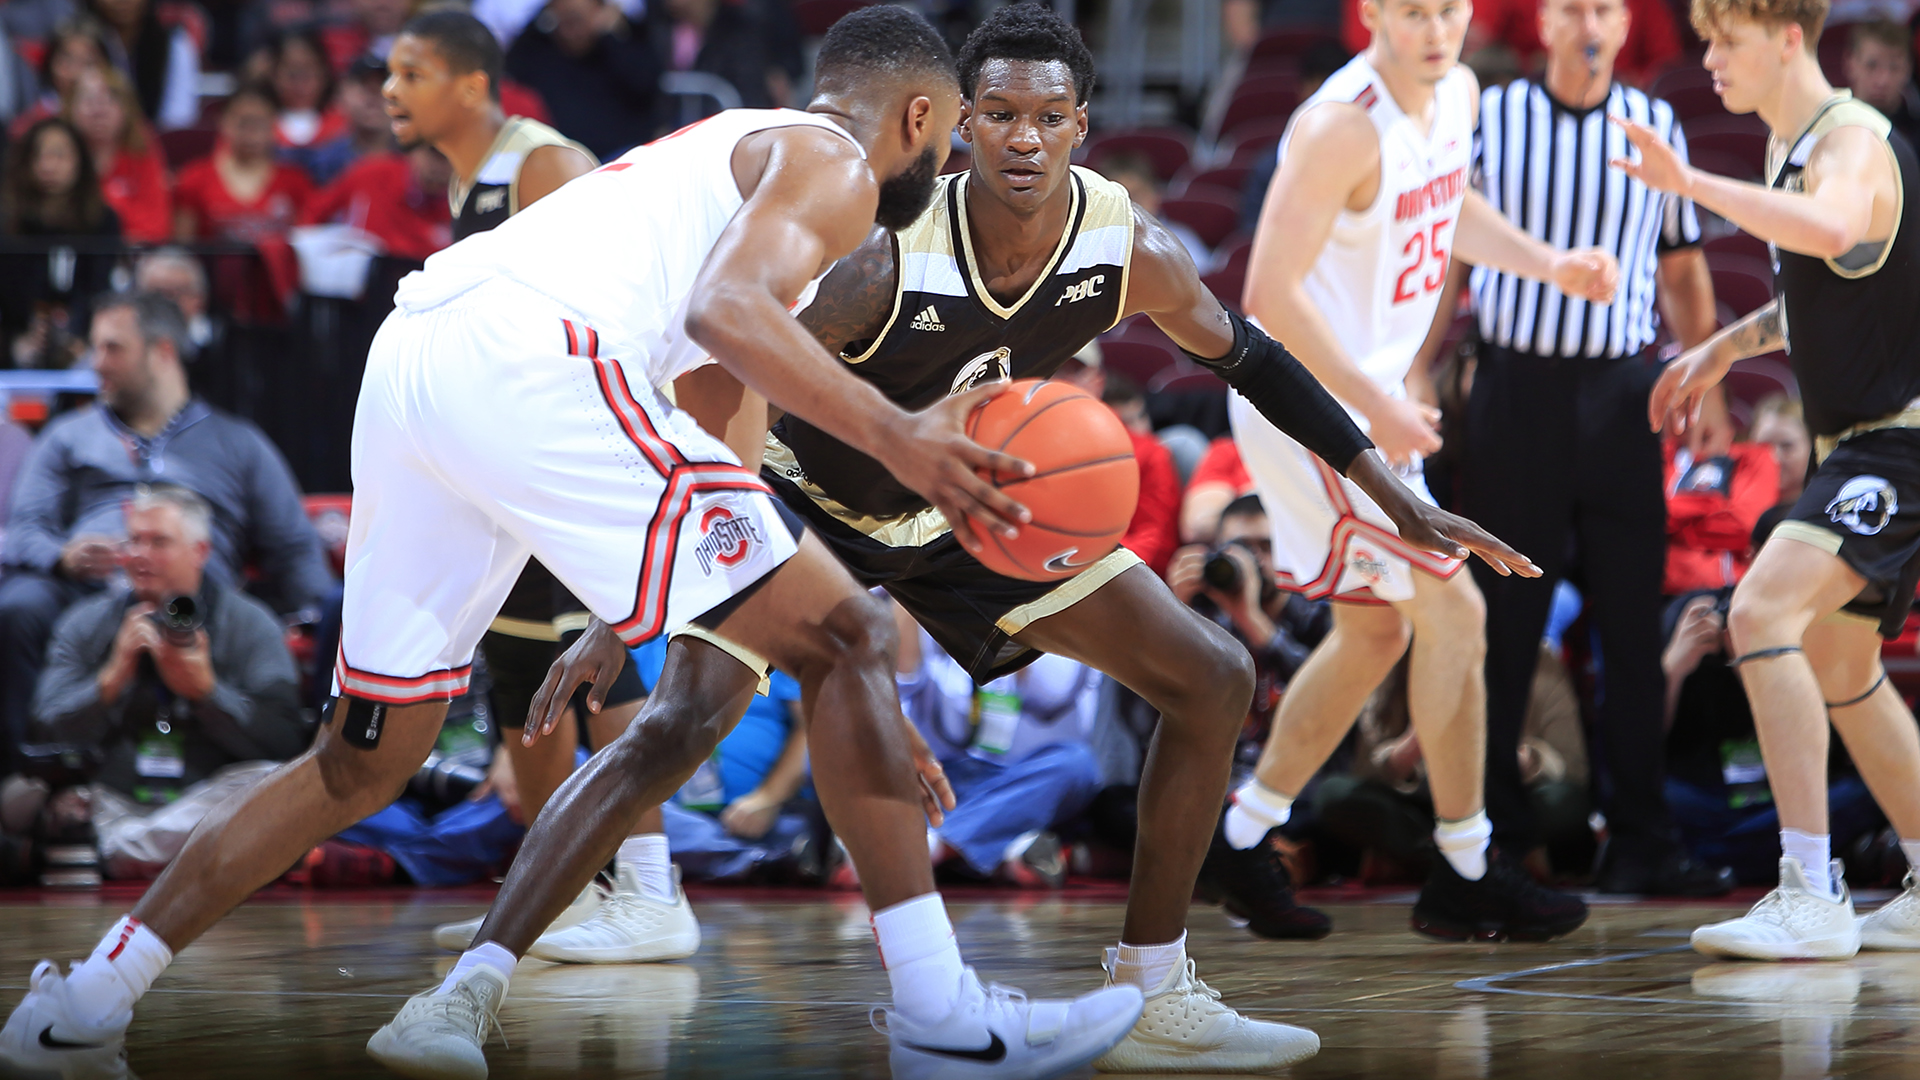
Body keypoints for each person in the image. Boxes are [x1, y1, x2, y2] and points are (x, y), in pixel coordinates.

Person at [0, 10, 1151, 1080]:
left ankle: (85, 1003)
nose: (940, 169)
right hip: (537, 356)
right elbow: (726, 316)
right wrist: (902, 439)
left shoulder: (728, 165)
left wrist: (658, 613)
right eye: (945, 144)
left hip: (420, 359)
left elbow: (717, 412)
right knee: (851, 631)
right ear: (919, 115)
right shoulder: (835, 161)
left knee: (361, 759)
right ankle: (944, 1018)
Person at [531, 5, 1536, 1071]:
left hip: (966, 505)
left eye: (1049, 117)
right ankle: (492, 972)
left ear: (1081, 128)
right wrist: (633, 599)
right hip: (806, 500)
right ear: (960, 125)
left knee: (1213, 675)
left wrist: (1389, 492)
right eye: (1000, 113)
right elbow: (724, 383)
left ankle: (1152, 988)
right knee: (680, 721)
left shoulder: (1124, 246)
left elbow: (1253, 357)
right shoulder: (879, 250)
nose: (1024, 136)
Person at [1226, 0, 1616, 941]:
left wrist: (1546, 265)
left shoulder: (1460, 92)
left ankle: (1236, 840)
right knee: (1458, 611)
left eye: (1450, 9)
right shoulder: (1340, 127)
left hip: (1367, 402)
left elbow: (1446, 208)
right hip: (1307, 403)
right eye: (1414, 12)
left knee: (1371, 638)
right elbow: (1266, 293)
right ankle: (1467, 867)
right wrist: (1380, 397)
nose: (1438, 30)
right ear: (1372, 14)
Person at [381, 9, 689, 964]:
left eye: (411, 72)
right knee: (521, 666)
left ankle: (653, 890)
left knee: (598, 659)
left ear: (472, 84)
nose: (389, 90)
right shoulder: (469, 175)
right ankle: (565, 890)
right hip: (503, 455)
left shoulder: (542, 163)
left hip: (566, 449)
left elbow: (609, 314)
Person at [1615, 0, 1920, 960]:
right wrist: (1720, 349)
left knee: (1758, 611)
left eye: (1727, 40)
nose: (1709, 58)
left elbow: (1834, 225)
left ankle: (1811, 891)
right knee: (1842, 666)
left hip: (1899, 445)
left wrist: (1688, 183)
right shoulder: (1792, 146)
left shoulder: (1851, 142)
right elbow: (1817, 295)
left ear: (1789, 39)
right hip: (1856, 445)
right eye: (1704, 39)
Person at [1463, 0, 1734, 897]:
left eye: (1605, 8)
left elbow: (1682, 265)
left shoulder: (1655, 123)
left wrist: (1706, 381)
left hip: (1623, 396)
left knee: (1627, 624)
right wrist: (1420, 371)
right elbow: (1451, 252)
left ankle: (1643, 839)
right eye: (1573, 7)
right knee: (1506, 624)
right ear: (1543, 24)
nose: (1589, 21)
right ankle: (1493, 839)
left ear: (1624, 28)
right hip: (1515, 390)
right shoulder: (1494, 115)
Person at [0, 290, 331, 777]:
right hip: (87, 600)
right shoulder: (67, 437)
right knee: (19, 606)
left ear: (162, 352)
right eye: (96, 348)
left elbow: (293, 544)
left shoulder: (237, 442)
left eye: (113, 348)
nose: (96, 364)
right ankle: (22, 778)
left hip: (202, 603)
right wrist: (63, 555)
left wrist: (324, 614)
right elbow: (22, 530)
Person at [30, 483, 309, 880]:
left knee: (277, 786)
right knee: (27, 793)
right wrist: (111, 679)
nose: (140, 554)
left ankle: (115, 850)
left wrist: (208, 694)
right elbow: (44, 730)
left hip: (208, 801)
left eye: (158, 542)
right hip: (113, 798)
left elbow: (286, 741)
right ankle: (168, 853)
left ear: (200, 551)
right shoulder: (86, 622)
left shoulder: (251, 623)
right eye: (134, 541)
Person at [892, 602, 1104, 889]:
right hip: (940, 777)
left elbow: (1052, 694)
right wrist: (909, 591)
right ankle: (1005, 850)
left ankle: (930, 849)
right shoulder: (928, 600)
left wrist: (1004, 609)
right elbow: (900, 681)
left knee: (1077, 766)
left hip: (1018, 783)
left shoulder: (1052, 602)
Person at [0, 117, 121, 369]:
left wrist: (81, 337)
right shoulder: (8, 223)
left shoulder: (102, 221)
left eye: (59, 155)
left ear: (80, 161)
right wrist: (13, 345)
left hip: (86, 347)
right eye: (38, 155)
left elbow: (100, 288)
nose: (48, 165)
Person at [504, 0, 662, 159]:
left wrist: (610, 36)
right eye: (567, 21)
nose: (573, 31)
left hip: (625, 156)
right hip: (565, 159)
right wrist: (540, 20)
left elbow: (645, 86)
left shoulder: (623, 45)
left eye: (578, 19)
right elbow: (512, 71)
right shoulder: (539, 52)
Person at [172, 83, 314, 244]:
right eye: (243, 123)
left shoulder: (295, 181)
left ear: (274, 125)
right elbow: (183, 247)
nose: (252, 133)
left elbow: (307, 243)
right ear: (223, 122)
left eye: (260, 123)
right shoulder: (194, 177)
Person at [65, 64, 170, 243]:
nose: (98, 111)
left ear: (127, 109)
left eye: (109, 100)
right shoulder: (57, 148)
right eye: (89, 100)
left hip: (130, 252)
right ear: (70, 108)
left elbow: (156, 226)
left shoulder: (142, 149)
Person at [83, 0, 200, 130]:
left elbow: (179, 117)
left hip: (158, 137)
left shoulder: (173, 43)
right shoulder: (81, 42)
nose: (122, 2)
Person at [286, 55, 393, 186]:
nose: (373, 94)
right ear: (342, 94)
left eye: (383, 84)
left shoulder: (413, 161)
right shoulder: (323, 164)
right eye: (364, 84)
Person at [1842, 18, 1920, 149]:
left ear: (1908, 69)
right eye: (1871, 65)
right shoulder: (1826, 127)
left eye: (1894, 68)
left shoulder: (1916, 138)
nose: (1882, 80)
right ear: (1850, 64)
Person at [267, 28, 342, 151]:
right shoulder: (261, 124)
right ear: (274, 76)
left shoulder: (343, 125)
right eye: (292, 74)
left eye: (307, 73)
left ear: (324, 75)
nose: (300, 84)